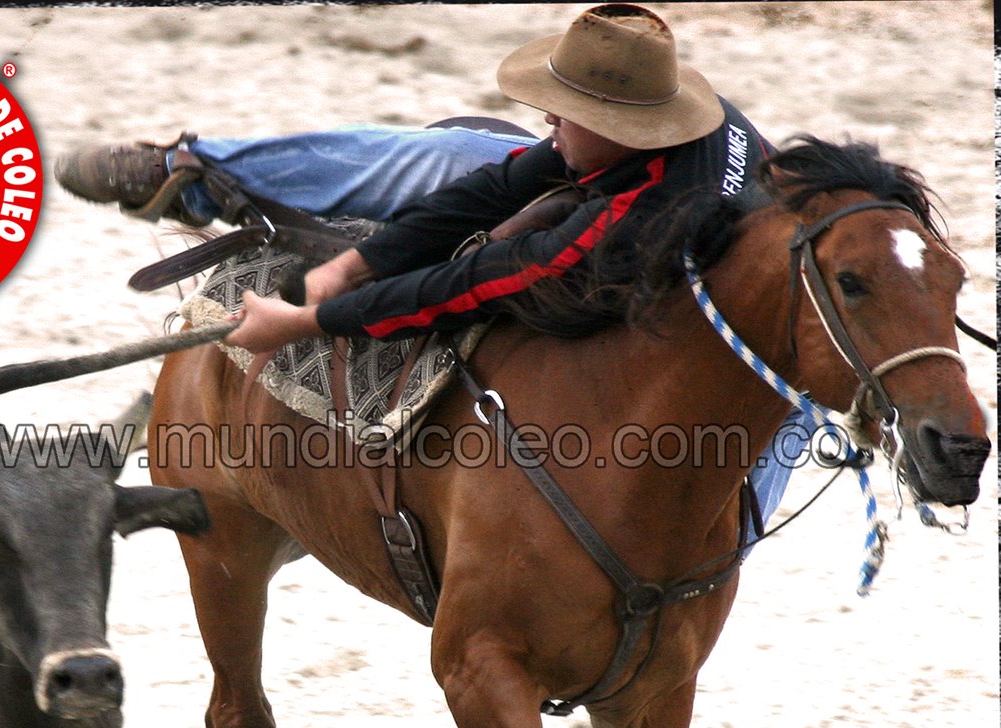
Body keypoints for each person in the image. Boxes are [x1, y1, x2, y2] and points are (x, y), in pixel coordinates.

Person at [55, 2, 800, 542]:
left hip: (748, 330)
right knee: (453, 157)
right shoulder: (665, 112)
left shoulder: (635, 221)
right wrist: (353, 265)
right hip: (669, 220)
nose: (548, 120)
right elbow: (500, 185)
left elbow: (476, 284)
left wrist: (308, 322)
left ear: (620, 128)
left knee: (729, 517)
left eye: (565, 113)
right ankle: (196, 172)